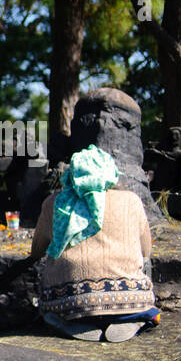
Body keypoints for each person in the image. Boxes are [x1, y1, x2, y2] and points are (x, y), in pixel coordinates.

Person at [29, 145, 158, 342]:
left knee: (48, 310)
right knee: (149, 307)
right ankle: (135, 319)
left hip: (71, 305)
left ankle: (67, 322)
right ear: (110, 172)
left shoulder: (54, 203)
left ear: (72, 174)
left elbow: (36, 252)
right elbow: (146, 250)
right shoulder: (131, 200)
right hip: (130, 300)